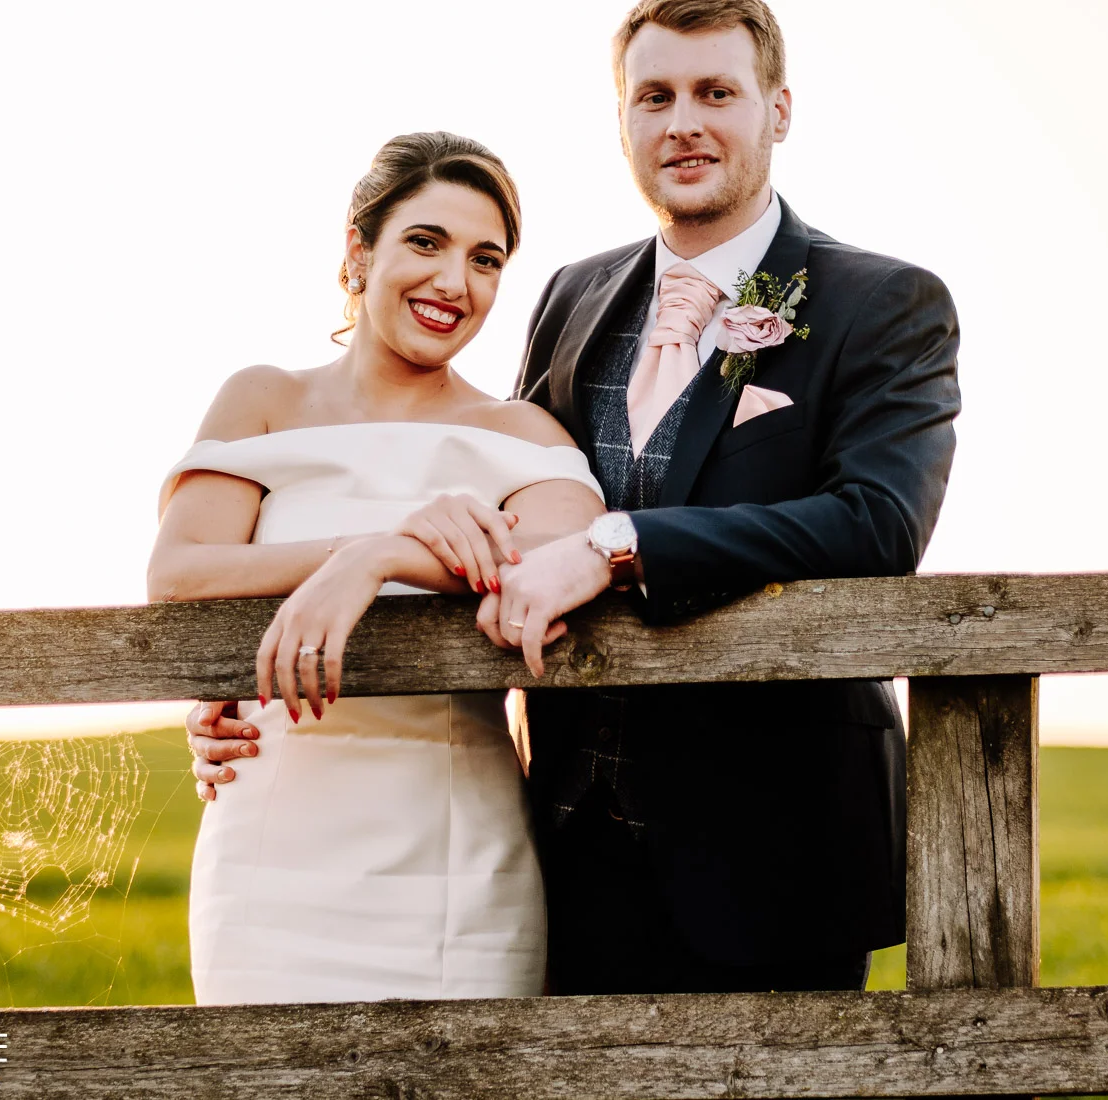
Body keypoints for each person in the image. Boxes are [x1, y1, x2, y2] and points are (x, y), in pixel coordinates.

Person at [190, 0, 961, 998]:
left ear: (778, 109)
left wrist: (616, 544)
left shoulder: (881, 302)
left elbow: (877, 523)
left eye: (714, 92)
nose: (683, 121)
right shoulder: (572, 296)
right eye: (656, 96)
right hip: (566, 844)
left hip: (774, 843)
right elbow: (485, 517)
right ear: (624, 122)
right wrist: (238, 661)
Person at [151, 131, 604, 1005]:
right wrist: (359, 553)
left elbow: (567, 557)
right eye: (425, 243)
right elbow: (178, 571)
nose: (453, 283)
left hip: (458, 853)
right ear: (359, 251)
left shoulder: (519, 433)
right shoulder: (265, 399)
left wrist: (384, 556)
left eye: (486, 259)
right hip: (271, 846)